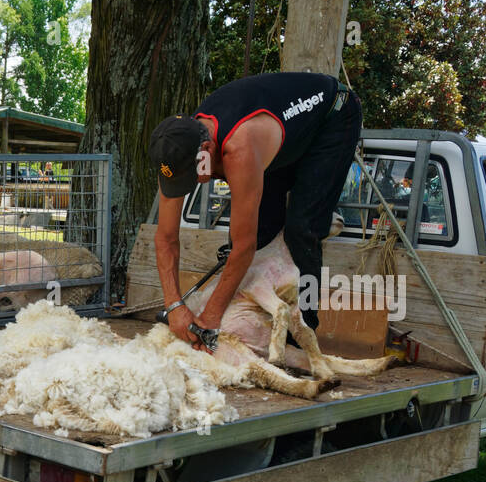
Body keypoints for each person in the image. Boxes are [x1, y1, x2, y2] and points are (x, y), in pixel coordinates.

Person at [147, 71, 362, 347]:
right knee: (262, 231)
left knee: (302, 230)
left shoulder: (240, 148)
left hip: (331, 118)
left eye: (195, 175)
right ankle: (261, 326)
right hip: (277, 138)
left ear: (206, 149)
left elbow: (242, 247)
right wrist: (175, 305)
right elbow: (165, 238)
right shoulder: (175, 149)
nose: (197, 183)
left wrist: (211, 317)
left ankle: (303, 331)